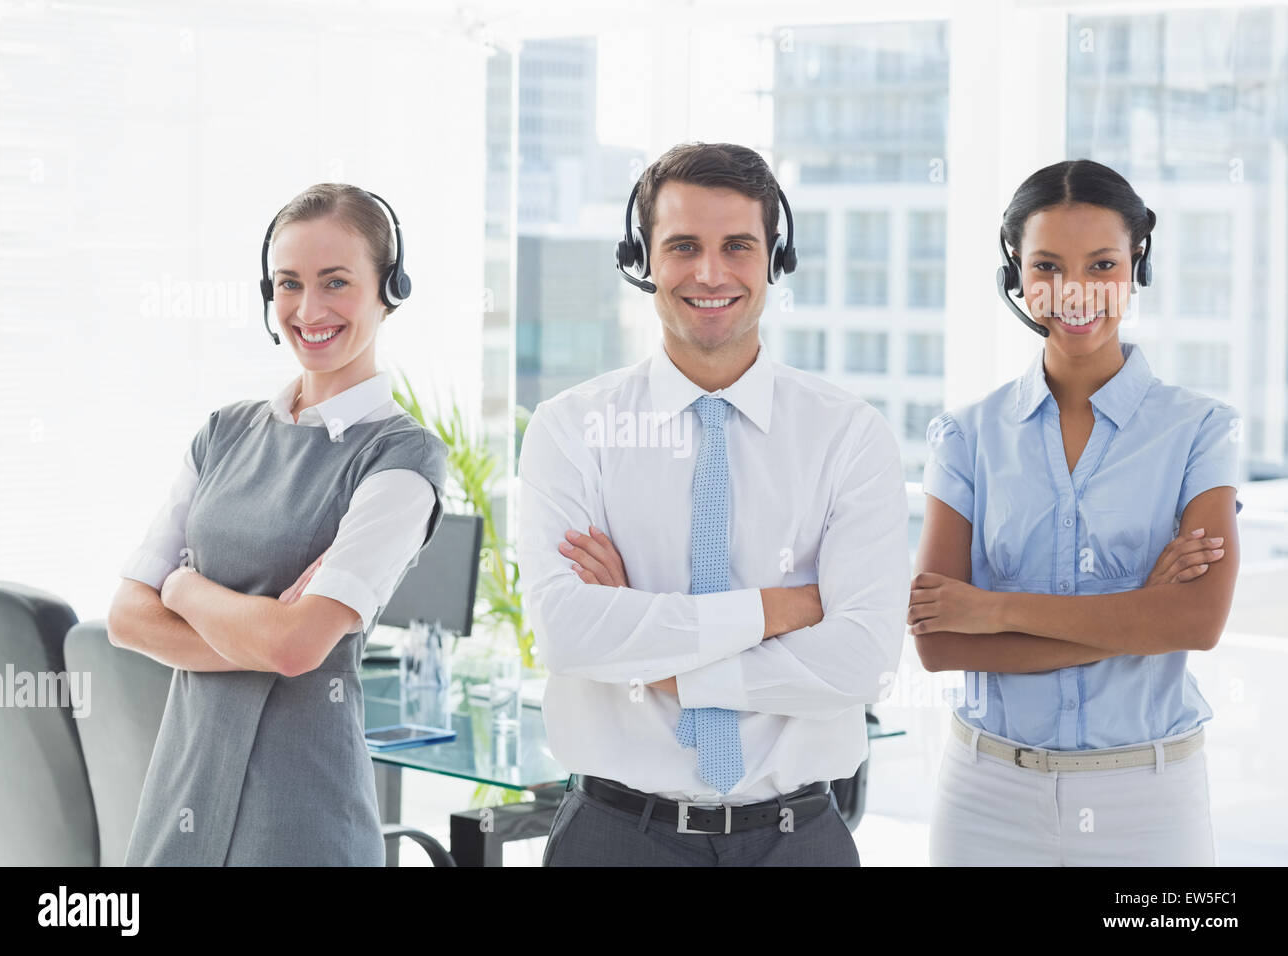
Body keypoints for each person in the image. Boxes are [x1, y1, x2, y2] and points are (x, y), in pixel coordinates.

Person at [517, 142, 909, 867]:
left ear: (773, 260)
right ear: (643, 259)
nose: (710, 273)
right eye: (683, 246)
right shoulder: (572, 429)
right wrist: (778, 608)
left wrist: (646, 646)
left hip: (800, 842)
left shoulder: (849, 435)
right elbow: (567, 632)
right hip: (614, 837)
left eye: (737, 246)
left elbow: (860, 663)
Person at [910, 159, 1242, 866]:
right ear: (1017, 276)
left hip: (1149, 804)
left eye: (1102, 264)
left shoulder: (1201, 430)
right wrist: (1137, 614)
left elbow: (1195, 622)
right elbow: (940, 641)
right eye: (1047, 265)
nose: (1075, 291)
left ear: (1135, 266)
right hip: (986, 795)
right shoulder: (966, 436)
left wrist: (995, 609)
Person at [108, 184, 448, 866]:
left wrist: (180, 590)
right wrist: (266, 634)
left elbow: (298, 651)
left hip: (303, 814)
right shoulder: (224, 433)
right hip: (181, 793)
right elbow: (125, 619)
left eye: (336, 282)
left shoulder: (400, 457)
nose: (309, 309)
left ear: (389, 289)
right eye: (289, 284)